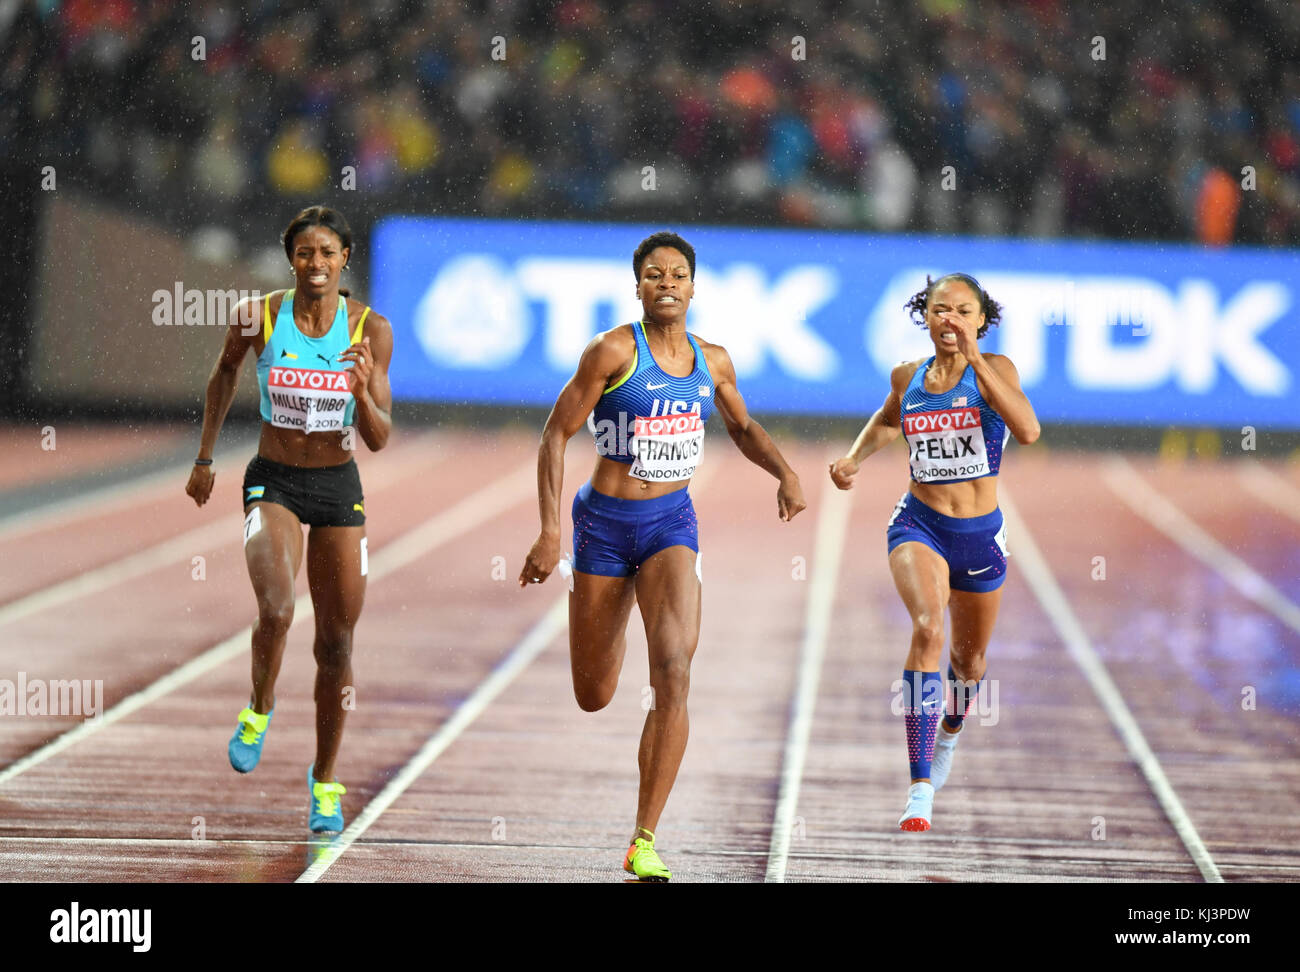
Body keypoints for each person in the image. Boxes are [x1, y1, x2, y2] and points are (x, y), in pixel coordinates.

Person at [519, 231, 807, 880]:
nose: (667, 284)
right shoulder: (614, 352)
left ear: (695, 287)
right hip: (603, 526)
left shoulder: (715, 361)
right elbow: (556, 434)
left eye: (678, 274)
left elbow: (741, 426)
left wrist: (784, 471)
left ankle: (644, 836)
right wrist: (548, 531)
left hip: (671, 524)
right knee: (594, 692)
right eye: (655, 275)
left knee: (674, 666)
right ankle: (612, 619)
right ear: (639, 287)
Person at [185, 205, 393, 834]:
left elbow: (380, 437)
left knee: (336, 643)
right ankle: (259, 706)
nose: (317, 264)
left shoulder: (369, 329)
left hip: (338, 486)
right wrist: (204, 456)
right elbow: (223, 376)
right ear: (291, 259)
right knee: (276, 609)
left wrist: (360, 395)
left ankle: (325, 781)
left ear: (345, 260)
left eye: (328, 253)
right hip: (273, 478)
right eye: (305, 253)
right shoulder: (259, 317)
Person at [829, 273, 1039, 831]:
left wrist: (978, 361)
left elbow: (1028, 430)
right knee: (927, 627)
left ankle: (950, 732)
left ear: (980, 320)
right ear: (925, 316)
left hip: (980, 536)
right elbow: (887, 421)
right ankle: (919, 784)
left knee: (969, 664)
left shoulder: (998, 370)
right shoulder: (908, 376)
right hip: (918, 525)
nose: (950, 319)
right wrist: (854, 458)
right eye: (940, 309)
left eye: (963, 311)